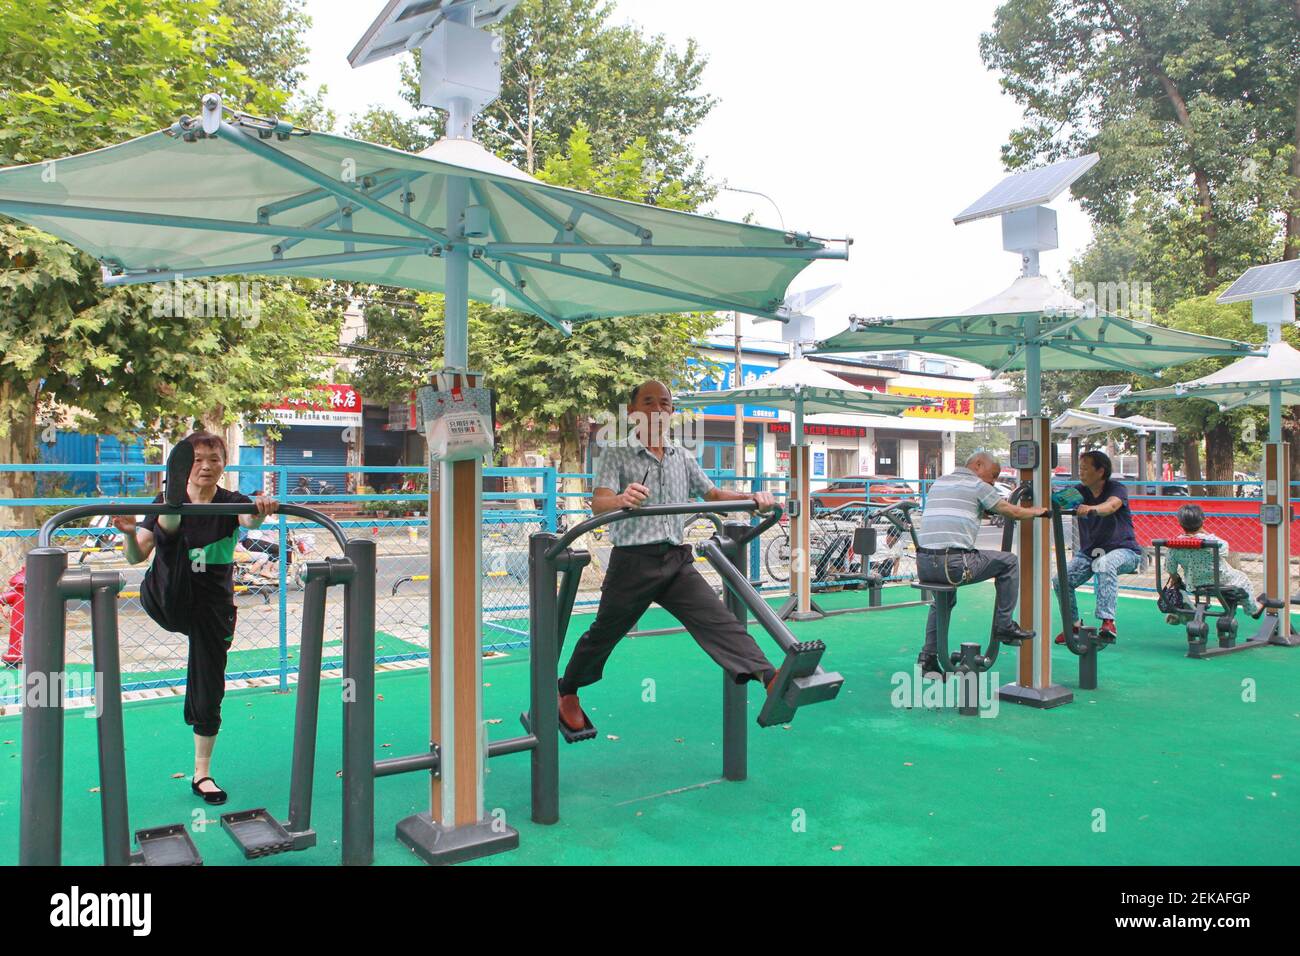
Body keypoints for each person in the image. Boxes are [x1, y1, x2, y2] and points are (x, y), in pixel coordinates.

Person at [557, 380, 780, 735]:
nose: (658, 409)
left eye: (665, 403)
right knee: (604, 634)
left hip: (676, 558)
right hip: (633, 561)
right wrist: (621, 499)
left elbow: (711, 493)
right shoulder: (616, 452)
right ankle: (567, 690)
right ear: (632, 412)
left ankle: (768, 676)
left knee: (717, 618)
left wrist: (752, 499)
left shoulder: (682, 456)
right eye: (648, 402)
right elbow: (599, 501)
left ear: (672, 413)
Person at [112, 432, 279, 805]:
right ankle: (173, 517)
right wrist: (127, 533)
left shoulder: (231, 501)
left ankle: (202, 773)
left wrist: (260, 509)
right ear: (185, 465)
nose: (206, 466)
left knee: (209, 685)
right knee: (169, 536)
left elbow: (248, 521)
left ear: (223, 463)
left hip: (210, 604)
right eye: (197, 459)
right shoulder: (159, 502)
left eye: (213, 459)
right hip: (166, 595)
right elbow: (135, 557)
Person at [914, 451, 1047, 675]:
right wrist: (1037, 511)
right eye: (993, 475)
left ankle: (928, 655)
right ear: (977, 464)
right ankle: (1004, 625)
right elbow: (1010, 511)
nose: (993, 482)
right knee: (1009, 562)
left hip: (925, 565)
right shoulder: (977, 486)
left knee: (943, 601)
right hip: (953, 565)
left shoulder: (939, 482)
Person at [1053, 450, 1142, 643]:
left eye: (1085, 469)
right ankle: (1074, 626)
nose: (1081, 473)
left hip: (1124, 551)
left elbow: (1110, 506)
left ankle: (1108, 621)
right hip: (1090, 553)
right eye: (1080, 469)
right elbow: (1055, 502)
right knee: (1061, 579)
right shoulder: (1079, 491)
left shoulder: (1116, 488)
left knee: (1105, 564)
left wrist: (1092, 509)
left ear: (1100, 471)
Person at [1164, 502, 1262, 621]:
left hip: (1194, 583)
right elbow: (1225, 550)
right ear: (1203, 520)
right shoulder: (1211, 541)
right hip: (1221, 580)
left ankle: (1185, 613)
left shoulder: (1175, 544)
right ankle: (1253, 609)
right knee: (1243, 579)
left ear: (1180, 523)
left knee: (1183, 584)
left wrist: (1176, 580)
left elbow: (1170, 568)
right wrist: (1204, 532)